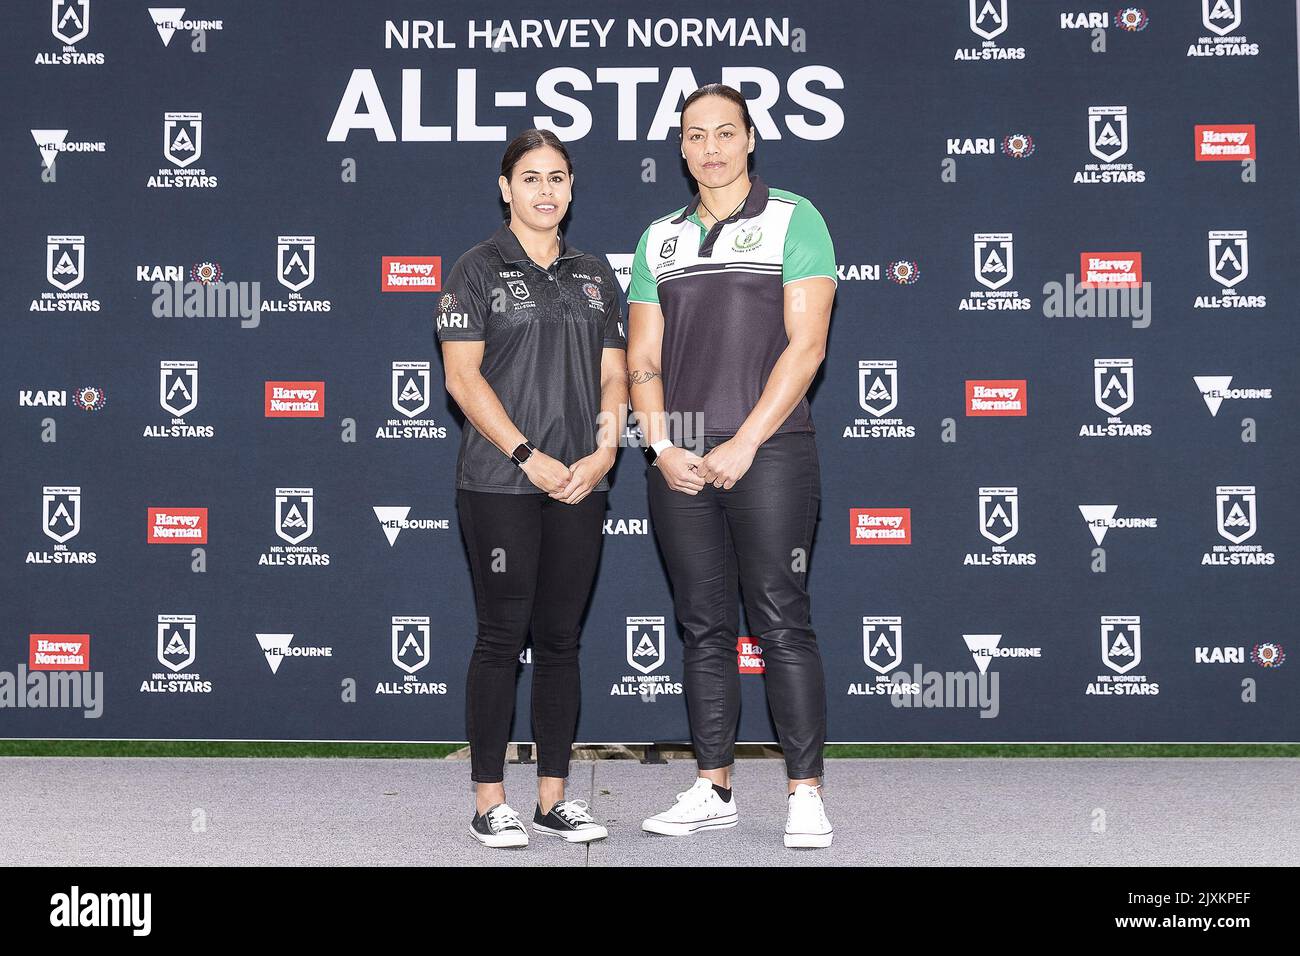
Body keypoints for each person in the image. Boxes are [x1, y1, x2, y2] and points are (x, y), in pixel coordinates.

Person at [626, 84, 837, 848]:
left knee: (782, 621)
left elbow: (806, 346)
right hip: (680, 454)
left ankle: (805, 793)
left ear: (750, 140)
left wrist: (745, 441)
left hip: (771, 449)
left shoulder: (795, 218)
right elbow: (642, 357)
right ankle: (712, 786)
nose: (710, 147)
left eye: (725, 133)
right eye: (695, 136)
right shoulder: (660, 238)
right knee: (703, 628)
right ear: (680, 149)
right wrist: (659, 443)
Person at [436, 128, 628, 848]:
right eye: (530, 178)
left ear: (572, 188)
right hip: (499, 482)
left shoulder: (595, 271)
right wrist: (525, 453)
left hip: (582, 480)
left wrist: (607, 448)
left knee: (560, 641)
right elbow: (462, 377)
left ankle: (554, 798)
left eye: (557, 178)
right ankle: (490, 801)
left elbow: (616, 373)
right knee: (499, 637)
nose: (545, 190)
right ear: (505, 188)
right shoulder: (478, 267)